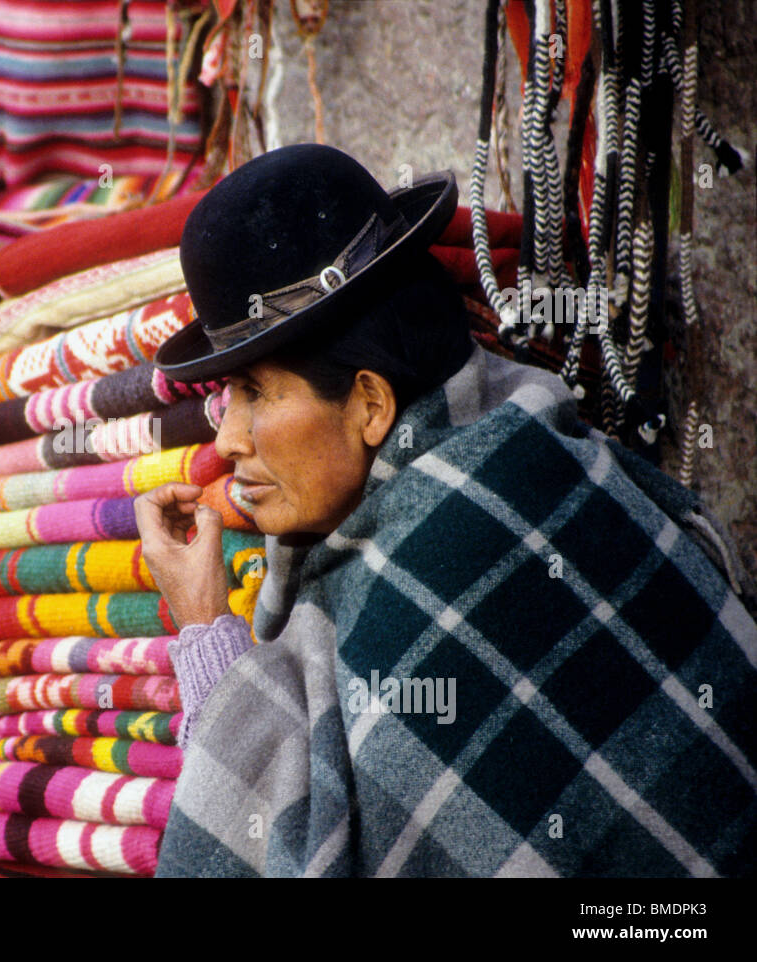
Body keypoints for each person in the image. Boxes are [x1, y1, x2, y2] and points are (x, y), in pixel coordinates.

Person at [134, 142, 757, 877]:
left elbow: (281, 855)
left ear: (370, 403)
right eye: (225, 397)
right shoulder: (554, 459)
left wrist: (208, 634)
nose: (228, 440)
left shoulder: (423, 592)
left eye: (256, 392)